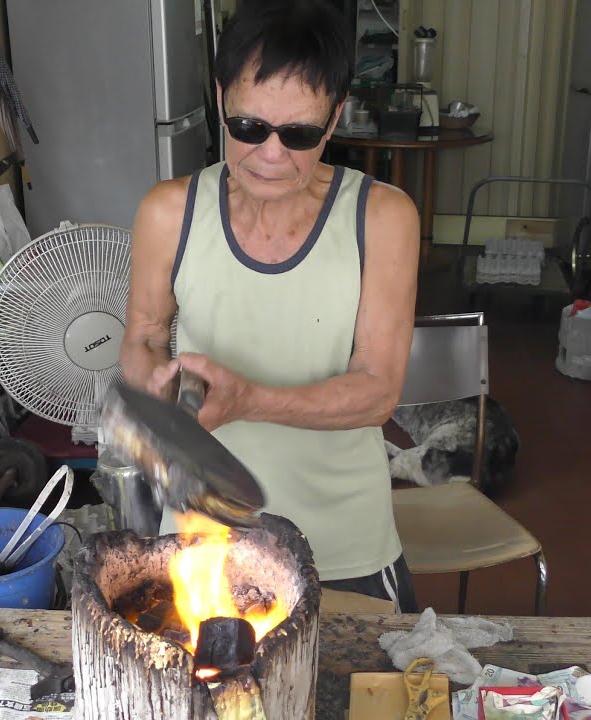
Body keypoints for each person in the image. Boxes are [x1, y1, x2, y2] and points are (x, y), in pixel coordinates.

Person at [119, 0, 420, 610]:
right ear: (221, 97)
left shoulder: (382, 219)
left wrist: (250, 400)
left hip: (342, 547)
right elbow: (145, 333)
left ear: (335, 119)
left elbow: (377, 391)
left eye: (300, 134)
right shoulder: (169, 213)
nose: (271, 155)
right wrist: (153, 395)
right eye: (249, 127)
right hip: (205, 544)